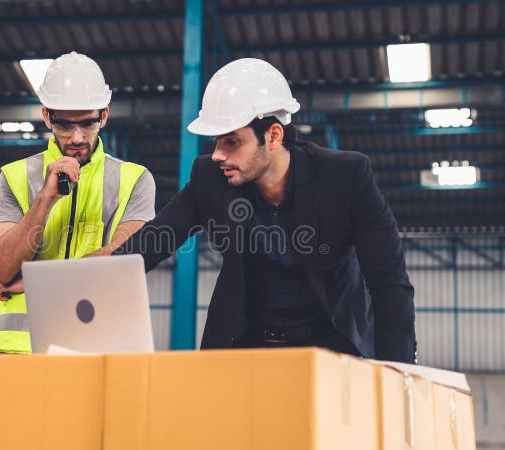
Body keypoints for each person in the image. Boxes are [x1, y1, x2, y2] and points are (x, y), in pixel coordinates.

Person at [116, 58, 415, 363]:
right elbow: (154, 240)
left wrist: (400, 372)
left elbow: (389, 281)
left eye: (232, 141)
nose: (218, 155)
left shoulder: (345, 178)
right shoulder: (211, 178)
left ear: (273, 136)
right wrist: (97, 278)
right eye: (217, 141)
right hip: (248, 346)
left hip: (332, 348)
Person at [0, 51, 156, 354]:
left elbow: (125, 263)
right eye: (65, 124)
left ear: (103, 115)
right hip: (18, 351)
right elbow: (2, 268)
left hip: (99, 346)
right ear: (47, 116)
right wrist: (45, 199)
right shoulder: (13, 178)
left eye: (88, 123)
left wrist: (35, 283)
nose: (77, 137)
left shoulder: (135, 180)